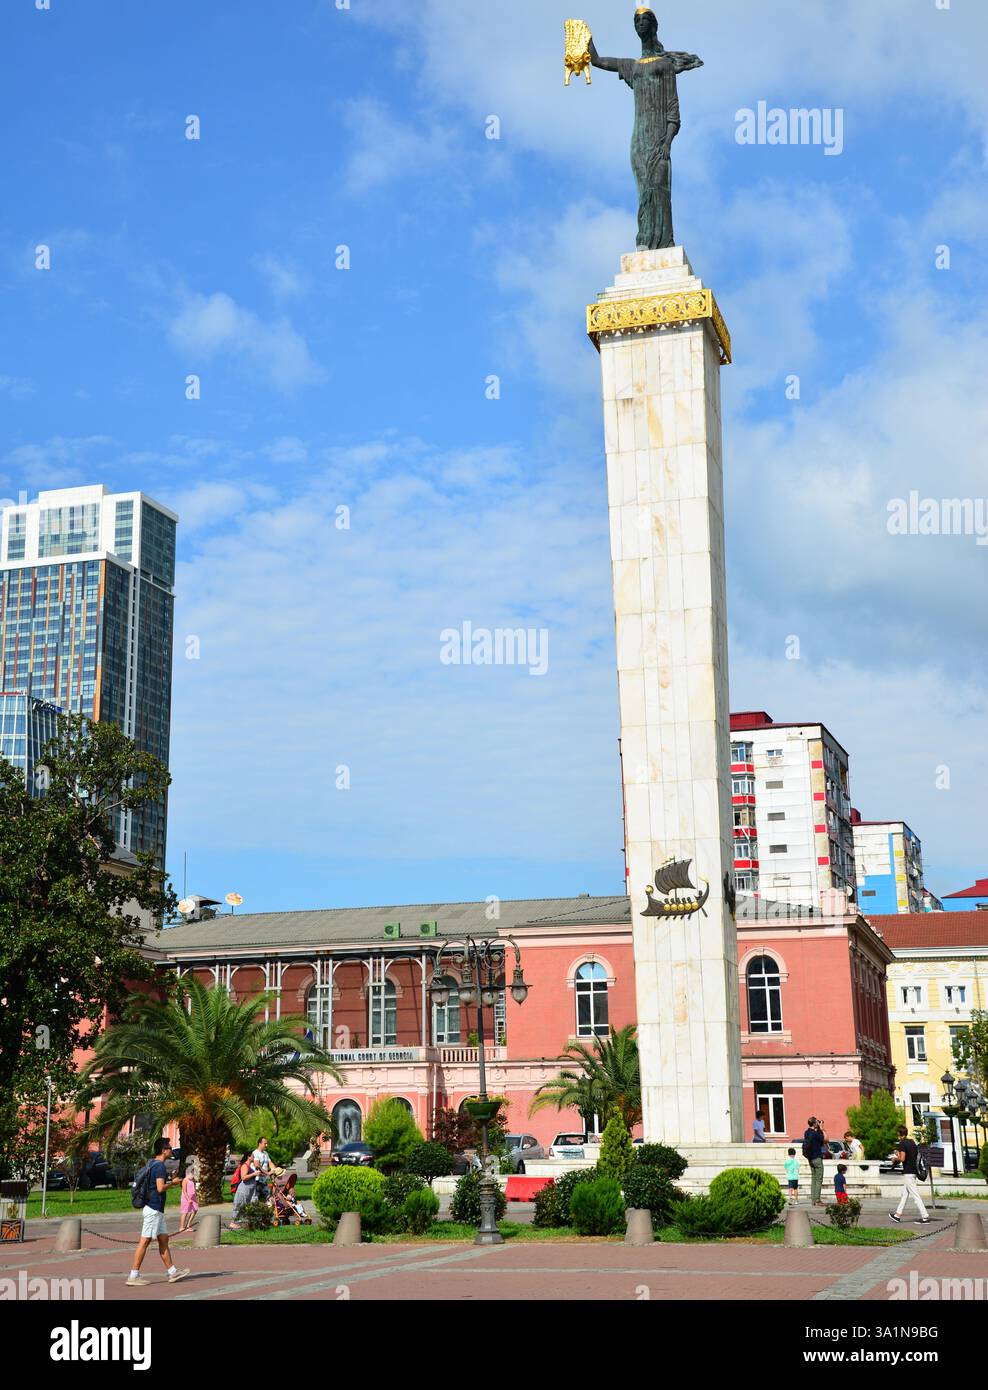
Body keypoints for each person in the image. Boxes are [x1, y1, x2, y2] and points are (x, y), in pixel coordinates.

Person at [126, 1139, 190, 1288]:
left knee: (163, 1240)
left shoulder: (152, 1163)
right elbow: (160, 1188)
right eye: (169, 1148)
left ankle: (172, 1272)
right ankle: (133, 1275)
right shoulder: (160, 1166)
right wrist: (173, 1184)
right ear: (163, 1150)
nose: (171, 1150)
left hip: (156, 1210)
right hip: (153, 1209)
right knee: (145, 1241)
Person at [889, 1125, 931, 1224]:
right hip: (914, 1171)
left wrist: (895, 1158)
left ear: (899, 1134)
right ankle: (897, 1215)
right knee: (904, 1194)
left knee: (915, 1195)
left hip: (908, 1172)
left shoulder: (902, 1143)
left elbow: (902, 1159)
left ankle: (925, 1217)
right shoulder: (912, 1142)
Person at [228, 1152, 260, 1229]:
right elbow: (244, 1177)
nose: (254, 1157)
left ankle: (249, 1222)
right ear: (248, 1157)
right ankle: (233, 1222)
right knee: (240, 1204)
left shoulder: (249, 1166)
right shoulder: (244, 1166)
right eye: (252, 1156)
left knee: (250, 1205)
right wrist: (254, 1174)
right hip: (244, 1189)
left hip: (250, 1189)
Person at [802, 1117, 828, 1205]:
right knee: (819, 1179)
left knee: (813, 1179)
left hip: (810, 1158)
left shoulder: (806, 1132)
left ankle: (813, 1200)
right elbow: (826, 1140)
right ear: (814, 1124)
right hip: (817, 1158)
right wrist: (822, 1129)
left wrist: (818, 1129)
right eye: (817, 1122)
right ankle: (817, 1200)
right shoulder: (816, 1134)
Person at [177, 1157, 199, 1233]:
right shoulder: (185, 1180)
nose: (193, 1175)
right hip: (186, 1199)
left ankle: (188, 1225)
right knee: (185, 1212)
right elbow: (184, 1191)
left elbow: (194, 1189)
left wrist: (196, 1196)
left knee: (195, 1210)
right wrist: (188, 1199)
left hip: (193, 1198)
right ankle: (181, 1227)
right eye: (191, 1173)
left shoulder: (192, 1180)